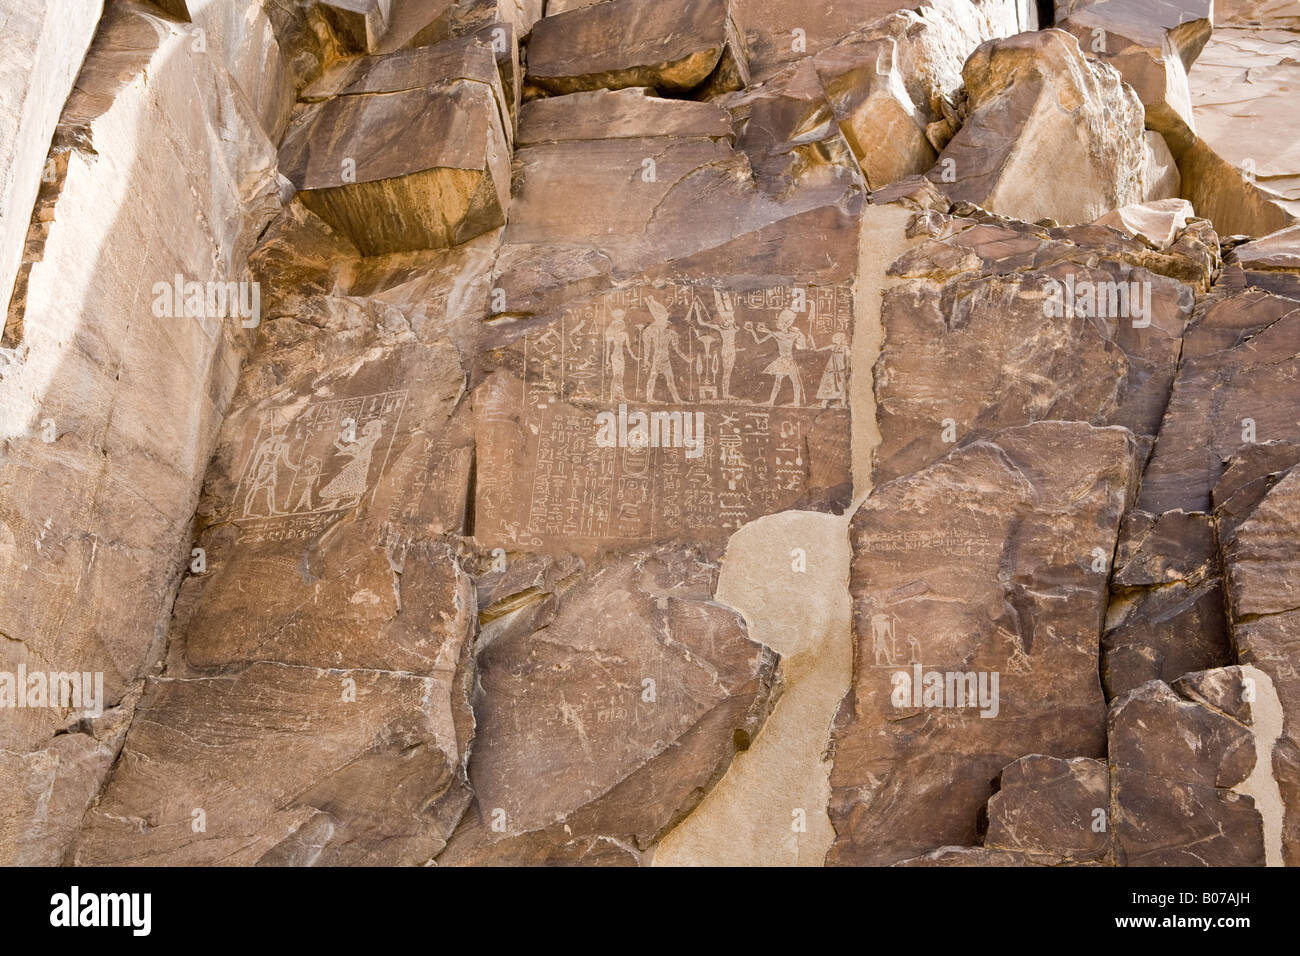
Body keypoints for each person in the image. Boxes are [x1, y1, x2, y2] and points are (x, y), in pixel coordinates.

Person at [746, 308, 806, 406]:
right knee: (781, 382)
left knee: (793, 382)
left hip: (789, 360)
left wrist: (802, 337)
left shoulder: (791, 334)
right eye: (785, 322)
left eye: (789, 322)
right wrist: (753, 330)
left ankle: (796, 402)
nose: (786, 324)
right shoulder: (780, 334)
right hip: (783, 361)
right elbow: (759, 341)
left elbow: (802, 346)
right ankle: (773, 401)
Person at [640, 296, 690, 404]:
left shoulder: (671, 333)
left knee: (669, 380)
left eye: (664, 318)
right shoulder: (653, 331)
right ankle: (649, 398)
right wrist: (645, 359)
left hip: (664, 358)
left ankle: (677, 399)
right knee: (653, 377)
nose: (663, 322)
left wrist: (687, 359)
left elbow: (677, 349)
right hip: (658, 358)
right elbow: (647, 346)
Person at [604, 308, 639, 402]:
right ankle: (612, 397)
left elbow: (628, 347)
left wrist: (634, 357)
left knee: (620, 377)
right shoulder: (611, 336)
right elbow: (608, 349)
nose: (620, 327)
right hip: (615, 357)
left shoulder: (624, 334)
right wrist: (607, 361)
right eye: (617, 325)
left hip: (621, 357)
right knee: (617, 376)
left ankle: (620, 396)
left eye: (620, 325)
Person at [814, 331, 850, 407]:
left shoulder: (845, 347)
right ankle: (824, 402)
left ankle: (843, 403)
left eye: (836, 338)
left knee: (841, 385)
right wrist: (812, 342)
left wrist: (847, 367)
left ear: (841, 339)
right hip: (830, 369)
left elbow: (848, 358)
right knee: (828, 384)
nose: (834, 339)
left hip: (840, 369)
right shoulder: (832, 346)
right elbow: (818, 350)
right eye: (834, 338)